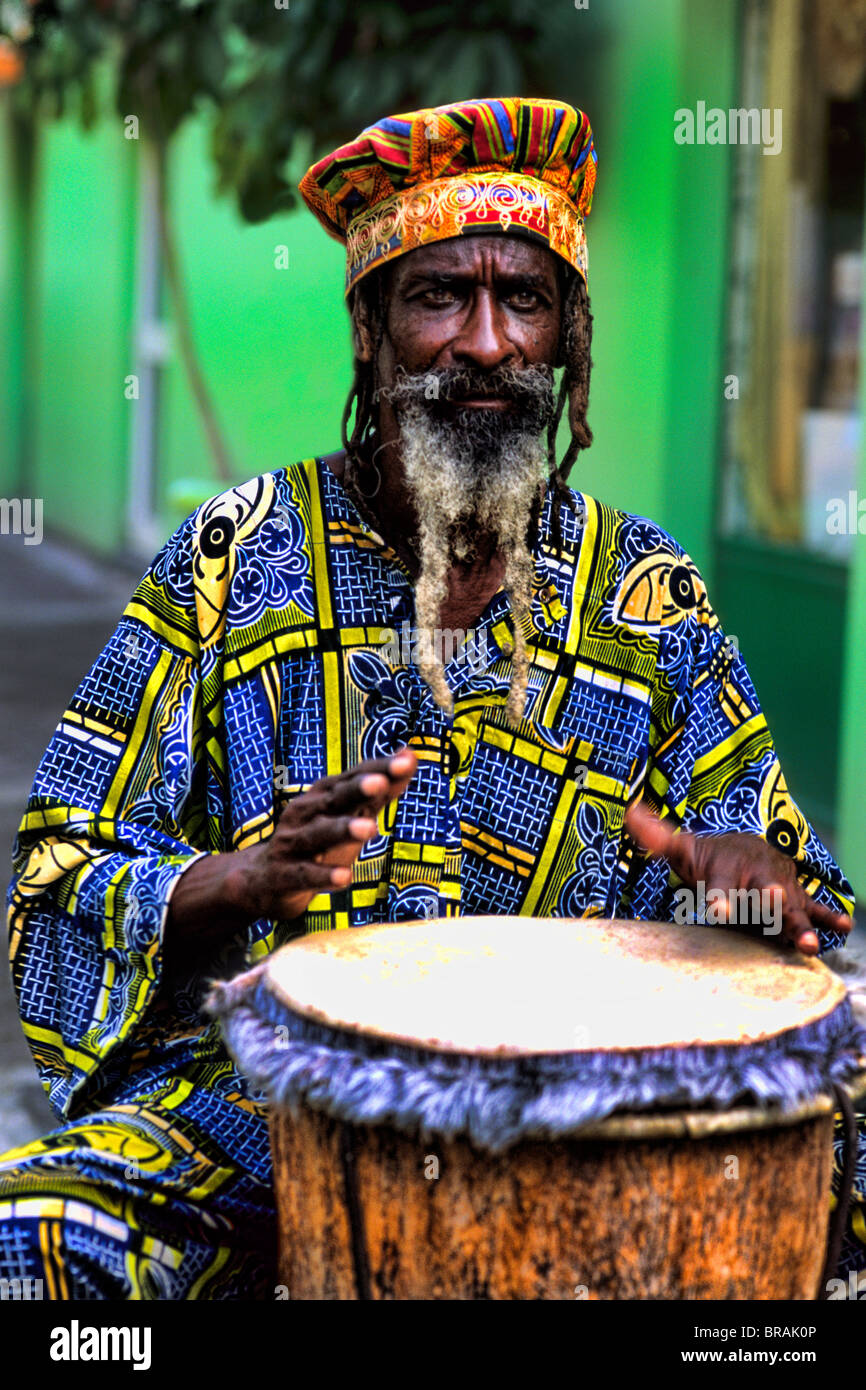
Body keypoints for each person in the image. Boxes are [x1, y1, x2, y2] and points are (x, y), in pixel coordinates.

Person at [1, 97, 862, 1299]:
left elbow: (807, 928)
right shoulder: (232, 560)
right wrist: (230, 881)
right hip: (267, 1113)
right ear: (368, 327)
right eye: (438, 296)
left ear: (567, 336)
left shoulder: (650, 596)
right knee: (34, 1247)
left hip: (592, 1118)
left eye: (524, 299)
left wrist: (752, 887)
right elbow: (53, 887)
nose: (486, 343)